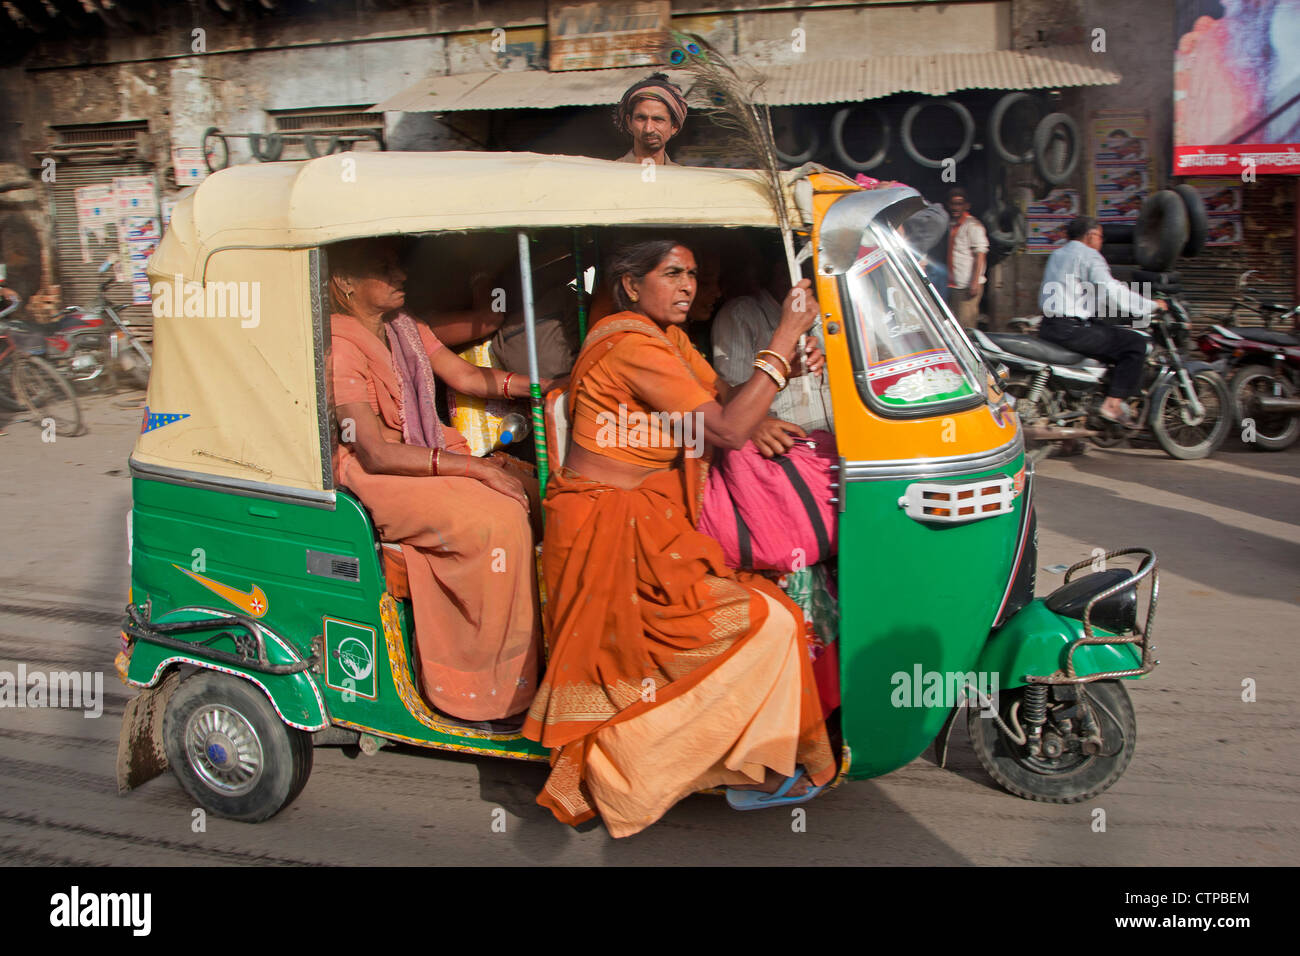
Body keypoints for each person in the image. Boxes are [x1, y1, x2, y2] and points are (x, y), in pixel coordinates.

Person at [522, 239, 837, 837]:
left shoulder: (667, 340)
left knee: (776, 615)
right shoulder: (630, 343)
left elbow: (718, 394)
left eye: (692, 274)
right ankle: (637, 781)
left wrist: (782, 373)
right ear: (631, 285)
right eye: (673, 274)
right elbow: (726, 427)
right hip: (606, 526)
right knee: (752, 625)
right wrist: (786, 333)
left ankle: (744, 763)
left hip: (651, 521)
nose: (689, 285)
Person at [328, 237, 560, 726]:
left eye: (398, 267)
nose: (401, 277)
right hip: (377, 473)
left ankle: (542, 662)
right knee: (495, 520)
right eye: (384, 268)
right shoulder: (339, 347)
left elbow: (469, 379)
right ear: (345, 283)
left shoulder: (406, 327)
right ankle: (481, 692)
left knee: (542, 496)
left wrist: (543, 387)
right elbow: (374, 450)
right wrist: (474, 467)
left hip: (423, 453)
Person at [1037, 216, 1167, 425]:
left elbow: (1081, 291)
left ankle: (1078, 422)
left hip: (1050, 325)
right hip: (1071, 328)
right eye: (1100, 236)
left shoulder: (1058, 254)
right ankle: (1113, 404)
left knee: (1109, 332)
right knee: (1134, 344)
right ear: (1090, 235)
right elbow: (1111, 290)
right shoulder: (1089, 255)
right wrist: (1150, 306)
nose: (1101, 242)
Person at [712, 245, 834, 448]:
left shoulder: (823, 313)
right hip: (786, 448)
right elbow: (730, 396)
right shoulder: (741, 314)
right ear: (783, 272)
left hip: (835, 443)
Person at [613, 73, 688, 166]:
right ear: (629, 122)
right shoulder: (611, 174)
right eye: (641, 118)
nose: (648, 129)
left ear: (674, 126)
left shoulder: (682, 178)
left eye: (658, 119)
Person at [945, 186, 988, 329]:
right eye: (953, 204)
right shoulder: (951, 225)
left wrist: (974, 282)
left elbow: (980, 254)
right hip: (953, 285)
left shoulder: (973, 226)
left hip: (967, 286)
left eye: (959, 204)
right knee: (954, 326)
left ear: (966, 206)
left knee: (966, 327)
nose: (955, 207)